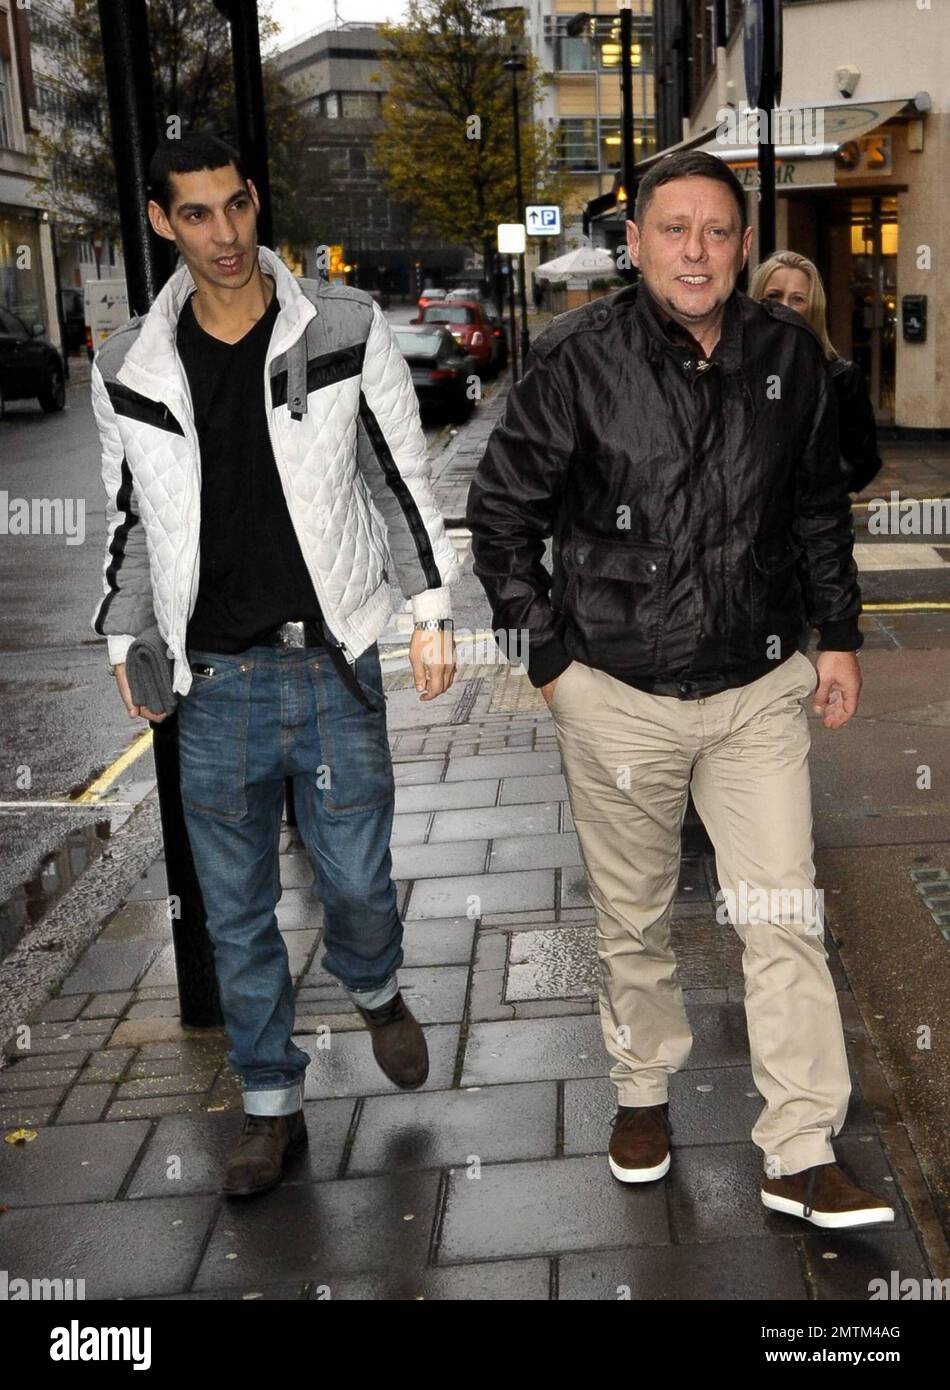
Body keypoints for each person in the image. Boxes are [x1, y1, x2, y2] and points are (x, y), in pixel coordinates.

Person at [467, 149, 895, 1230]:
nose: (695, 251)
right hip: (616, 690)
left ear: (743, 247)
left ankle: (799, 1148)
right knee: (633, 918)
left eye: (715, 231)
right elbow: (501, 515)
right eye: (673, 230)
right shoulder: (577, 359)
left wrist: (838, 637)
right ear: (635, 243)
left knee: (781, 914)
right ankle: (641, 1091)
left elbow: (817, 508)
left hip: (755, 688)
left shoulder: (789, 357)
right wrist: (549, 658)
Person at [90, 131, 460, 1198]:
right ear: (161, 222)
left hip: (331, 666)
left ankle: (375, 984)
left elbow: (399, 476)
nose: (224, 234)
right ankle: (268, 1106)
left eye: (236, 205)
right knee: (236, 913)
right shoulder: (127, 364)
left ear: (255, 200)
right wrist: (126, 637)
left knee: (356, 886)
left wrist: (431, 608)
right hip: (212, 684)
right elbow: (130, 518)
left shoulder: (341, 326)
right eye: (195, 214)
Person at [749, 250, 882, 493]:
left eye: (797, 299)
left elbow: (863, 462)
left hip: (814, 514)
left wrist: (813, 493)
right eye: (773, 296)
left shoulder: (842, 379)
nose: (784, 307)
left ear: (813, 308)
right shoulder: (733, 370)